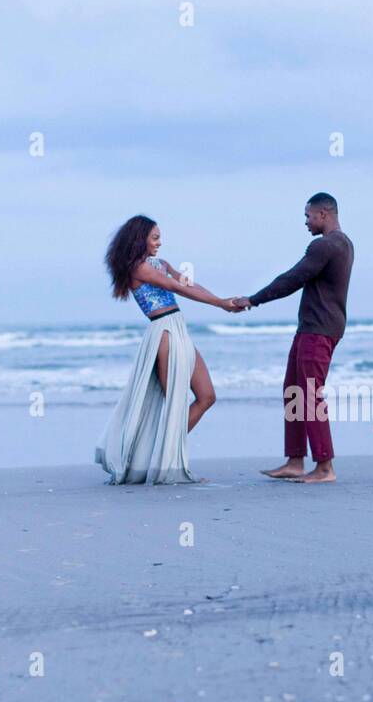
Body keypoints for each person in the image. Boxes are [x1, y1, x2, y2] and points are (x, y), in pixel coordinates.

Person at [95, 215, 243, 484]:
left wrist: (223, 299)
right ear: (139, 239)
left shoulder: (161, 264)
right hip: (163, 331)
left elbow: (187, 284)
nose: (160, 242)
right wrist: (219, 304)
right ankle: (167, 464)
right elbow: (174, 287)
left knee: (207, 396)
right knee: (174, 402)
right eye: (155, 237)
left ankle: (162, 453)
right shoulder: (138, 268)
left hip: (179, 329)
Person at [231, 192, 354, 484]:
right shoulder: (344, 243)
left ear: (323, 213)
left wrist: (253, 299)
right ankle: (295, 461)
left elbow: (292, 278)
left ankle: (325, 468)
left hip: (319, 329)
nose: (306, 222)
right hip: (311, 328)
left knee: (310, 394)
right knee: (292, 390)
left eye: (308, 216)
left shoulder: (325, 245)